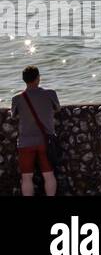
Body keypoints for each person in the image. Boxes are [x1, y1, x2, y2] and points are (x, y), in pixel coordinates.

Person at [12, 65, 58, 197]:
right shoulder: (50, 94)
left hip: (25, 142)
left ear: (24, 80)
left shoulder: (17, 99)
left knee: (26, 177)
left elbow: (13, 115)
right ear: (38, 78)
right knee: (48, 175)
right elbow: (57, 108)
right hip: (45, 141)